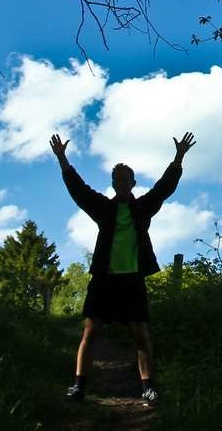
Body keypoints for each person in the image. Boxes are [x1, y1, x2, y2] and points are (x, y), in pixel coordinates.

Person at [50, 130, 195, 407]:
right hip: (104, 279)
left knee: (141, 334)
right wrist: (62, 159)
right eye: (117, 181)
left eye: (125, 181)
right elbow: (78, 191)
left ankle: (148, 388)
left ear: (133, 183)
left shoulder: (142, 207)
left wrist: (179, 157)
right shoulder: (104, 208)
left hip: (132, 280)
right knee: (90, 333)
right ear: (113, 184)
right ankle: (78, 386)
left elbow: (164, 187)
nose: (121, 184)